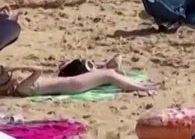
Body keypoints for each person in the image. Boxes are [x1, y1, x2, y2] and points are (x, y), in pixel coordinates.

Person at [0, 59, 156, 98]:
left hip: (72, 84)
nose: (7, 72)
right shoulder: (21, 88)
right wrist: (16, 67)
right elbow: (38, 71)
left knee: (109, 74)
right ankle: (142, 87)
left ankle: (141, 85)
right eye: (5, 74)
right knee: (109, 75)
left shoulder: (21, 87)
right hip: (73, 84)